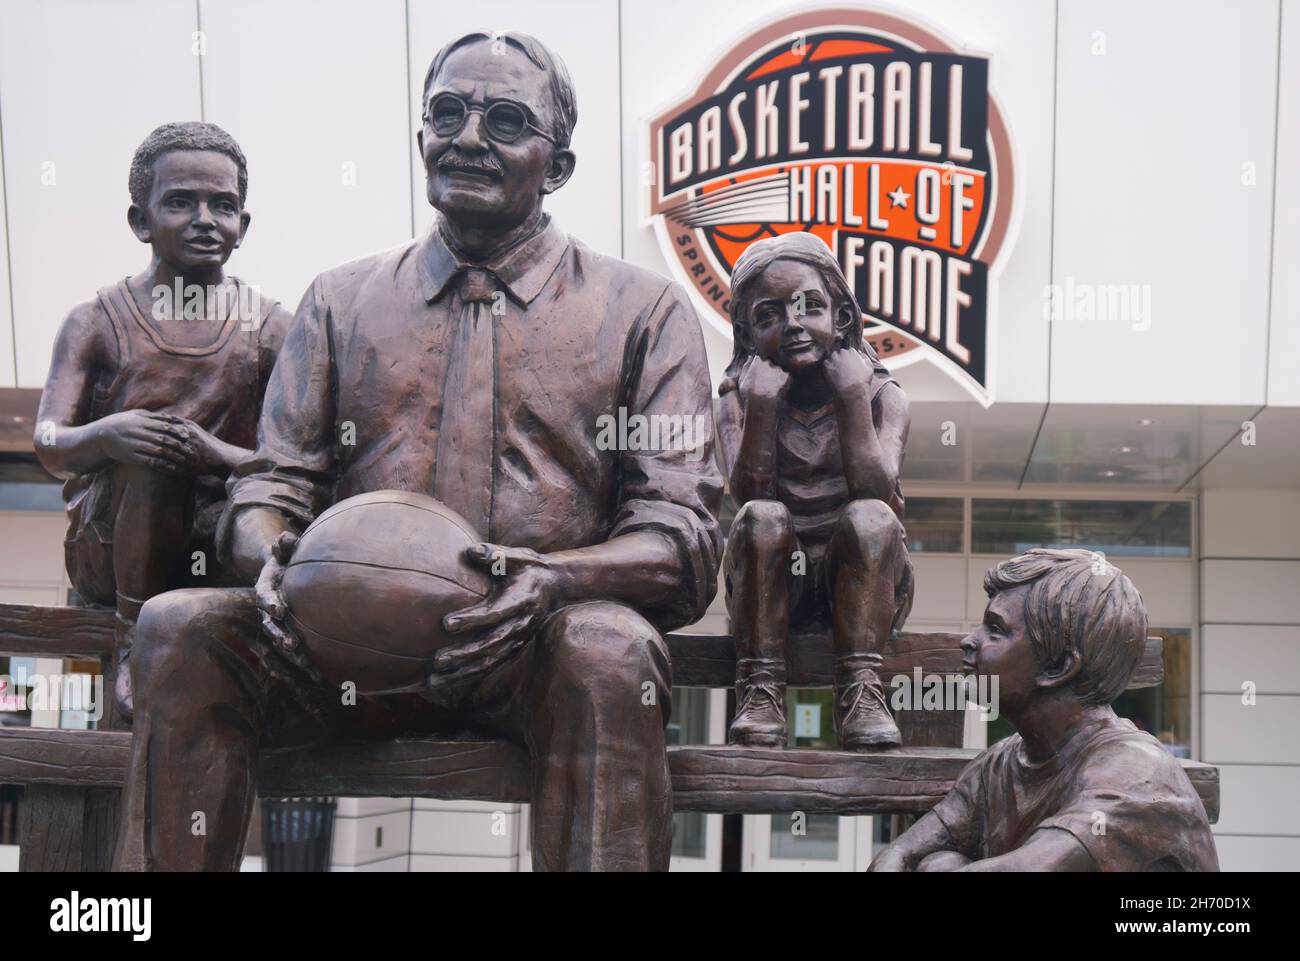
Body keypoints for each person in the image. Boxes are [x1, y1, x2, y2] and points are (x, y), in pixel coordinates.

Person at [113, 32, 722, 872]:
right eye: (447, 113)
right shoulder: (339, 299)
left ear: (559, 165)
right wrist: (269, 559)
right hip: (337, 644)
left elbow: (682, 541)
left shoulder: (646, 312)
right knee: (178, 625)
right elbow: (270, 488)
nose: (467, 137)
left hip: (530, 653)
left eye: (506, 120)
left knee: (609, 651)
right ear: (421, 139)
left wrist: (552, 581)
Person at [34, 122, 290, 720]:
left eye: (222, 206)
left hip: (224, 539)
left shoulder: (274, 328)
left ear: (242, 227)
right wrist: (107, 434)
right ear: (141, 221)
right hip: (115, 544)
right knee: (153, 457)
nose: (205, 219)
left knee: (182, 459)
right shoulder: (95, 321)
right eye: (181, 202)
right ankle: (134, 641)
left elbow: (298, 463)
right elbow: (48, 439)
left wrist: (213, 454)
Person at [870, 549, 1220, 871]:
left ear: (1058, 667)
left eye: (995, 629)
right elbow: (900, 852)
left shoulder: (1136, 771)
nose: (969, 640)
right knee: (941, 863)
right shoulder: (1000, 764)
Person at [716, 232, 911, 749]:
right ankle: (760, 687)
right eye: (769, 315)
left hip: (862, 586)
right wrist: (762, 408)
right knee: (763, 518)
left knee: (870, 518)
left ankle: (862, 689)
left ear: (842, 317)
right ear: (748, 332)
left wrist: (850, 395)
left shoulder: (882, 397)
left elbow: (879, 493)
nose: (793, 325)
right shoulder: (737, 400)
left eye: (809, 307)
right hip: (775, 588)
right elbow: (749, 496)